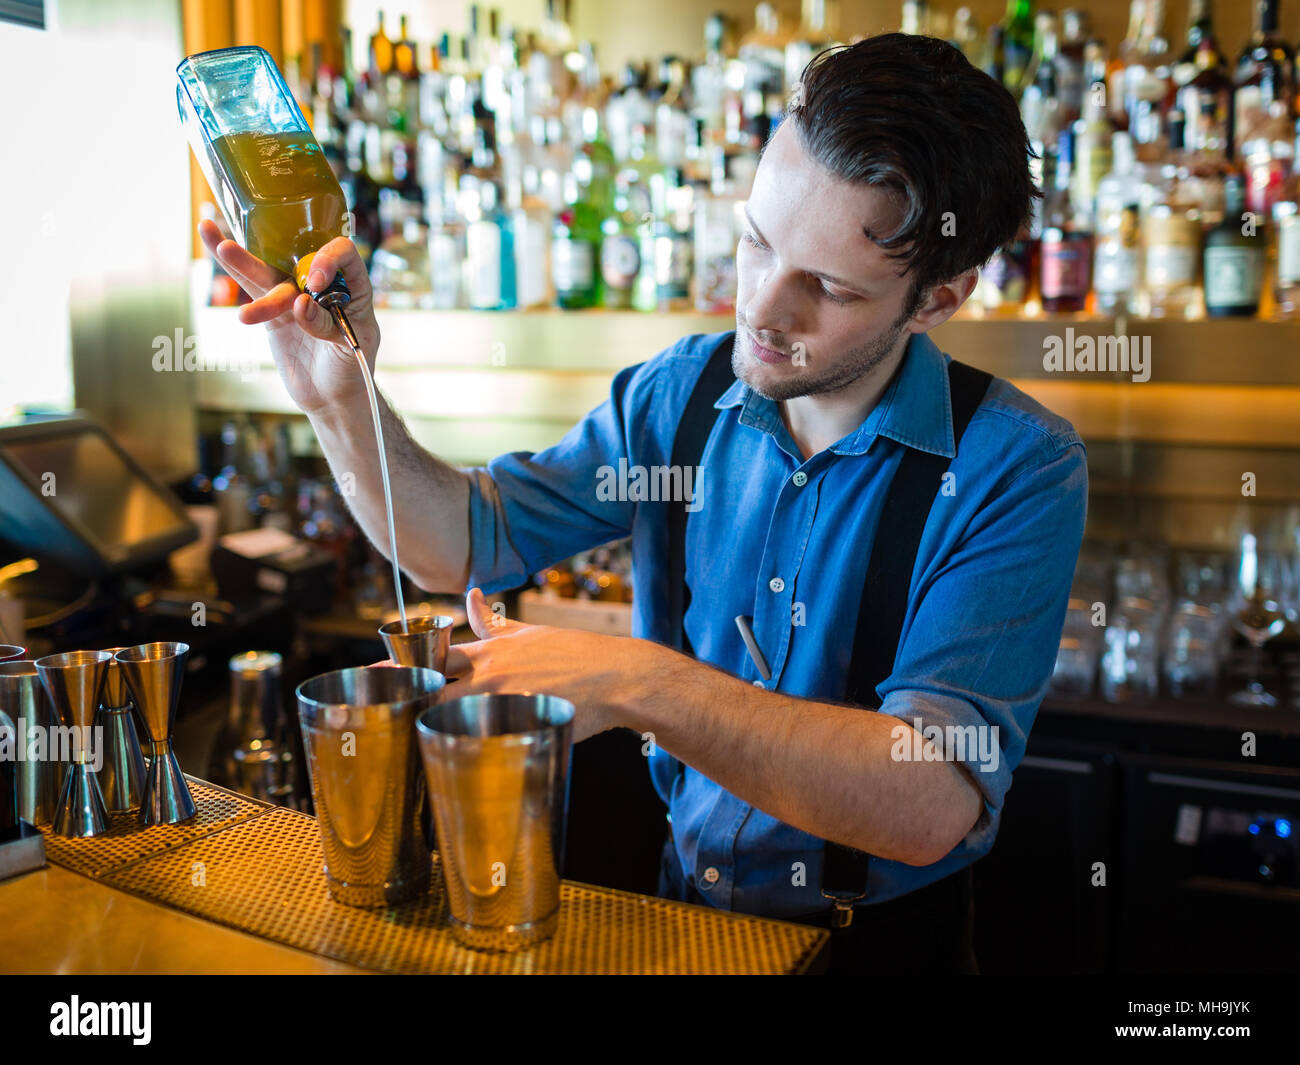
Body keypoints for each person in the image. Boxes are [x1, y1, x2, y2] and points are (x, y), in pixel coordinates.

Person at [201, 33, 1087, 974]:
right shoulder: (679, 396)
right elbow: (462, 539)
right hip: (679, 919)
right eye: (756, 242)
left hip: (876, 949)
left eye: (825, 287)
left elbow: (931, 798)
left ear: (938, 297)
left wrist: (633, 681)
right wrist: (341, 396)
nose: (761, 308)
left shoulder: (1015, 465)